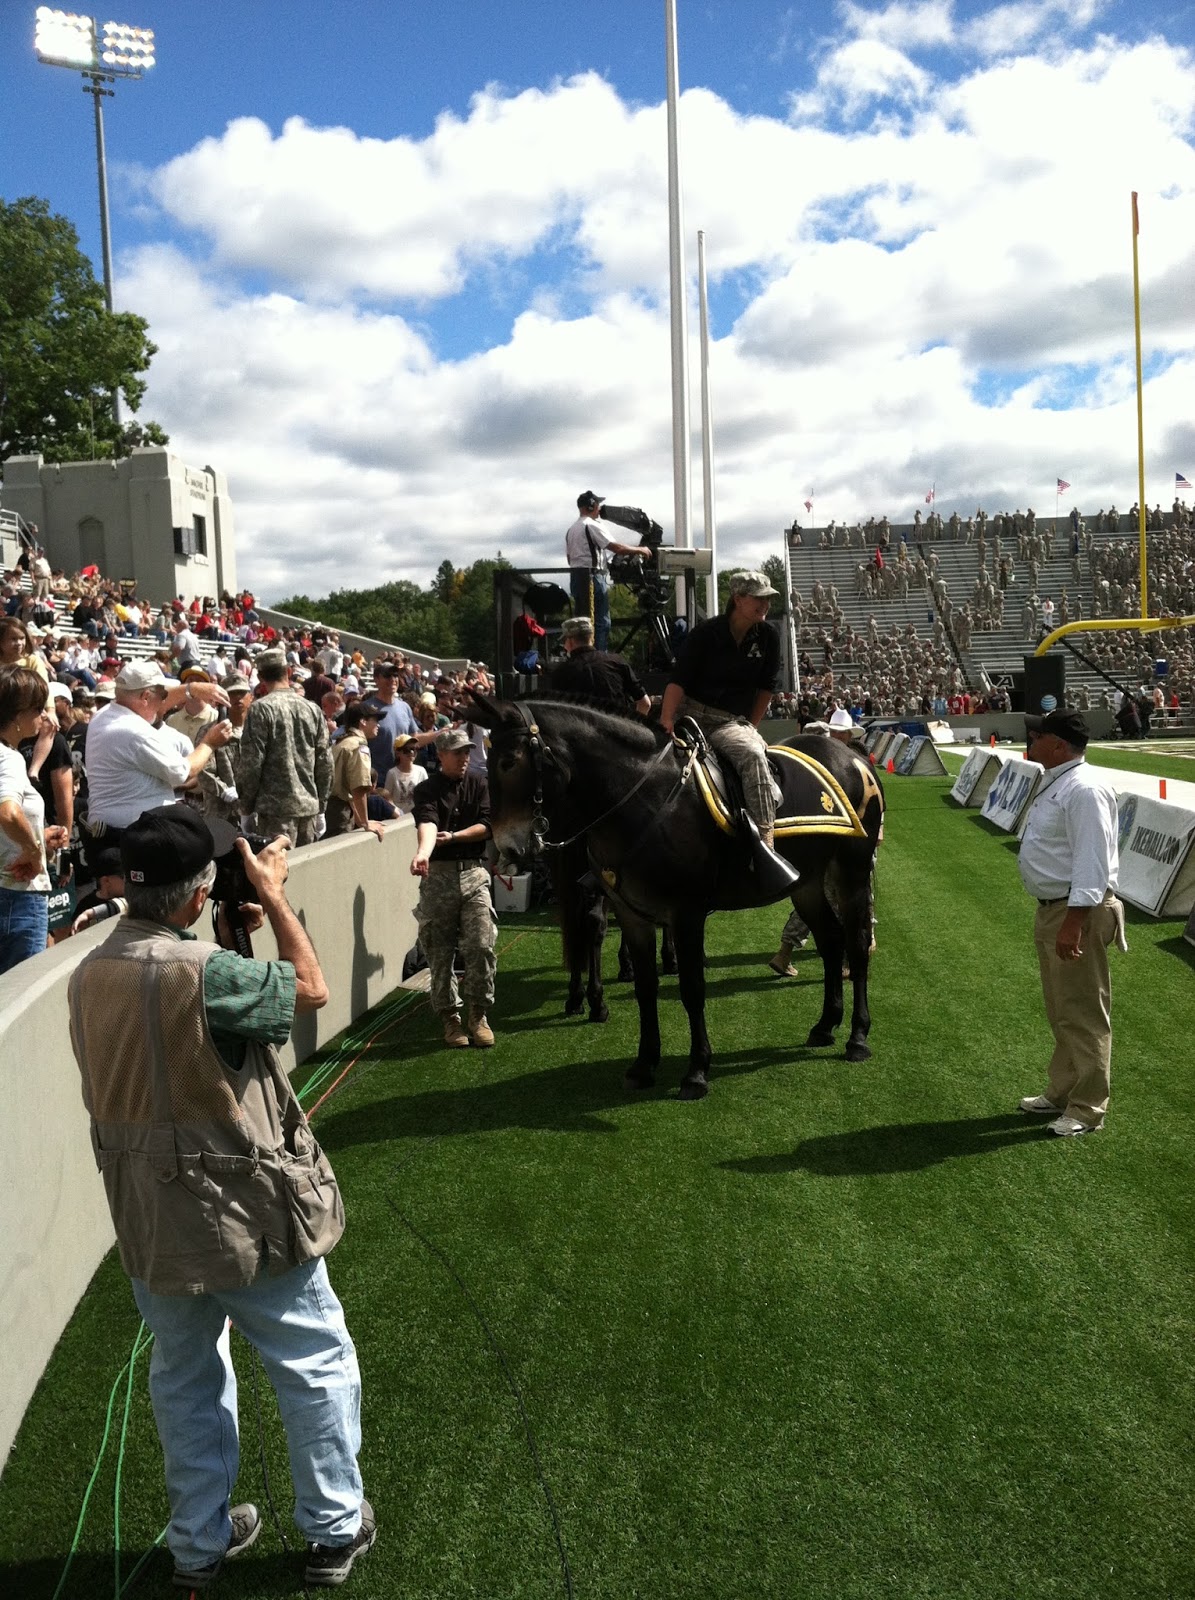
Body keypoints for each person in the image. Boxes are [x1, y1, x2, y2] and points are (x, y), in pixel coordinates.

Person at [67, 806, 375, 1588]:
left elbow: (192, 1041)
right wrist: (273, 897)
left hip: (146, 1217)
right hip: (242, 1213)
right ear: (199, 892)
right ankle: (335, 1529)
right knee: (312, 1359)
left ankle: (197, 1548)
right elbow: (309, 988)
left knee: (184, 1376)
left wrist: (225, 935)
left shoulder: (86, 967)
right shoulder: (206, 970)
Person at [1017, 709, 1125, 1136]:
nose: (1031, 739)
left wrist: (1073, 922)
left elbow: (1092, 863)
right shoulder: (1061, 781)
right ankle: (1063, 1088)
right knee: (1062, 1008)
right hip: (1055, 908)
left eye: (1038, 734)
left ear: (1059, 744)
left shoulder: (1084, 789)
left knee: (1082, 1011)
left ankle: (1087, 1107)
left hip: (1075, 910)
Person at [659, 570, 783, 846]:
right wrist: (666, 719)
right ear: (738, 600)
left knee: (752, 753)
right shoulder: (706, 633)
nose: (765, 605)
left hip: (727, 722)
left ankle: (765, 839)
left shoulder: (769, 636)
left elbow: (767, 686)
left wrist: (750, 726)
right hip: (688, 715)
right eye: (759, 599)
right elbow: (679, 680)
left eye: (768, 600)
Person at [83, 661, 234, 863]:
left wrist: (191, 689)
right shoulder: (134, 731)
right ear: (145, 697)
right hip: (134, 837)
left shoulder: (105, 715)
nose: (166, 701)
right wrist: (209, 742)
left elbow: (156, 701)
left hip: (124, 831)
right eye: (162, 695)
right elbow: (184, 772)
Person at [410, 726, 496, 1048]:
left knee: (481, 945)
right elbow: (428, 823)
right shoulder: (426, 790)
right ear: (441, 755)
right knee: (439, 952)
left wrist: (456, 837)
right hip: (439, 878)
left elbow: (488, 826)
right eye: (458, 751)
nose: (465, 757)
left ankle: (478, 1015)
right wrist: (423, 852)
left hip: (474, 875)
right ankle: (450, 1019)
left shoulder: (479, 784)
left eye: (467, 751)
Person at [1, 667, 70, 971]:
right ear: (17, 714)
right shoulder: (9, 758)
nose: (44, 716)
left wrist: (39, 835)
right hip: (17, 896)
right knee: (16, 1002)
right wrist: (33, 850)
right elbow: (7, 812)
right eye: (38, 708)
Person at [237, 649, 332, 844]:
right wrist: (322, 806)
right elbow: (325, 762)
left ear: (261, 677)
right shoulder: (312, 708)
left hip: (274, 812)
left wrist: (245, 808)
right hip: (308, 808)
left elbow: (251, 764)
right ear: (288, 672)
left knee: (275, 871)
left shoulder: (261, 708)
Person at [564, 491, 651, 653]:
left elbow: (570, 558)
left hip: (576, 577)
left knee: (582, 622)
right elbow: (615, 547)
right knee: (601, 622)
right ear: (592, 506)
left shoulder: (571, 529)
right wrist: (640, 550)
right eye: (597, 505)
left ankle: (582, 655)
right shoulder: (591, 525)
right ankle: (598, 656)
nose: (599, 509)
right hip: (593, 577)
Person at [549, 615, 650, 714]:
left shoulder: (561, 672)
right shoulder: (617, 661)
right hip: (618, 728)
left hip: (581, 729)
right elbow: (645, 704)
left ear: (570, 642)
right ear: (591, 638)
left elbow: (557, 713)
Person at [326, 702, 386, 839]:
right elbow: (358, 787)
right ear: (363, 721)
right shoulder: (358, 746)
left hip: (333, 807)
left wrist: (359, 820)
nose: (378, 725)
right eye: (375, 720)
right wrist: (365, 823)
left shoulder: (342, 742)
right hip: (341, 811)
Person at [383, 734, 428, 814]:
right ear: (398, 753)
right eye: (406, 750)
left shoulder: (421, 771)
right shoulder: (392, 773)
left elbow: (427, 795)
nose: (411, 752)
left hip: (417, 816)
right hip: (399, 818)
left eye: (414, 749)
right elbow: (388, 799)